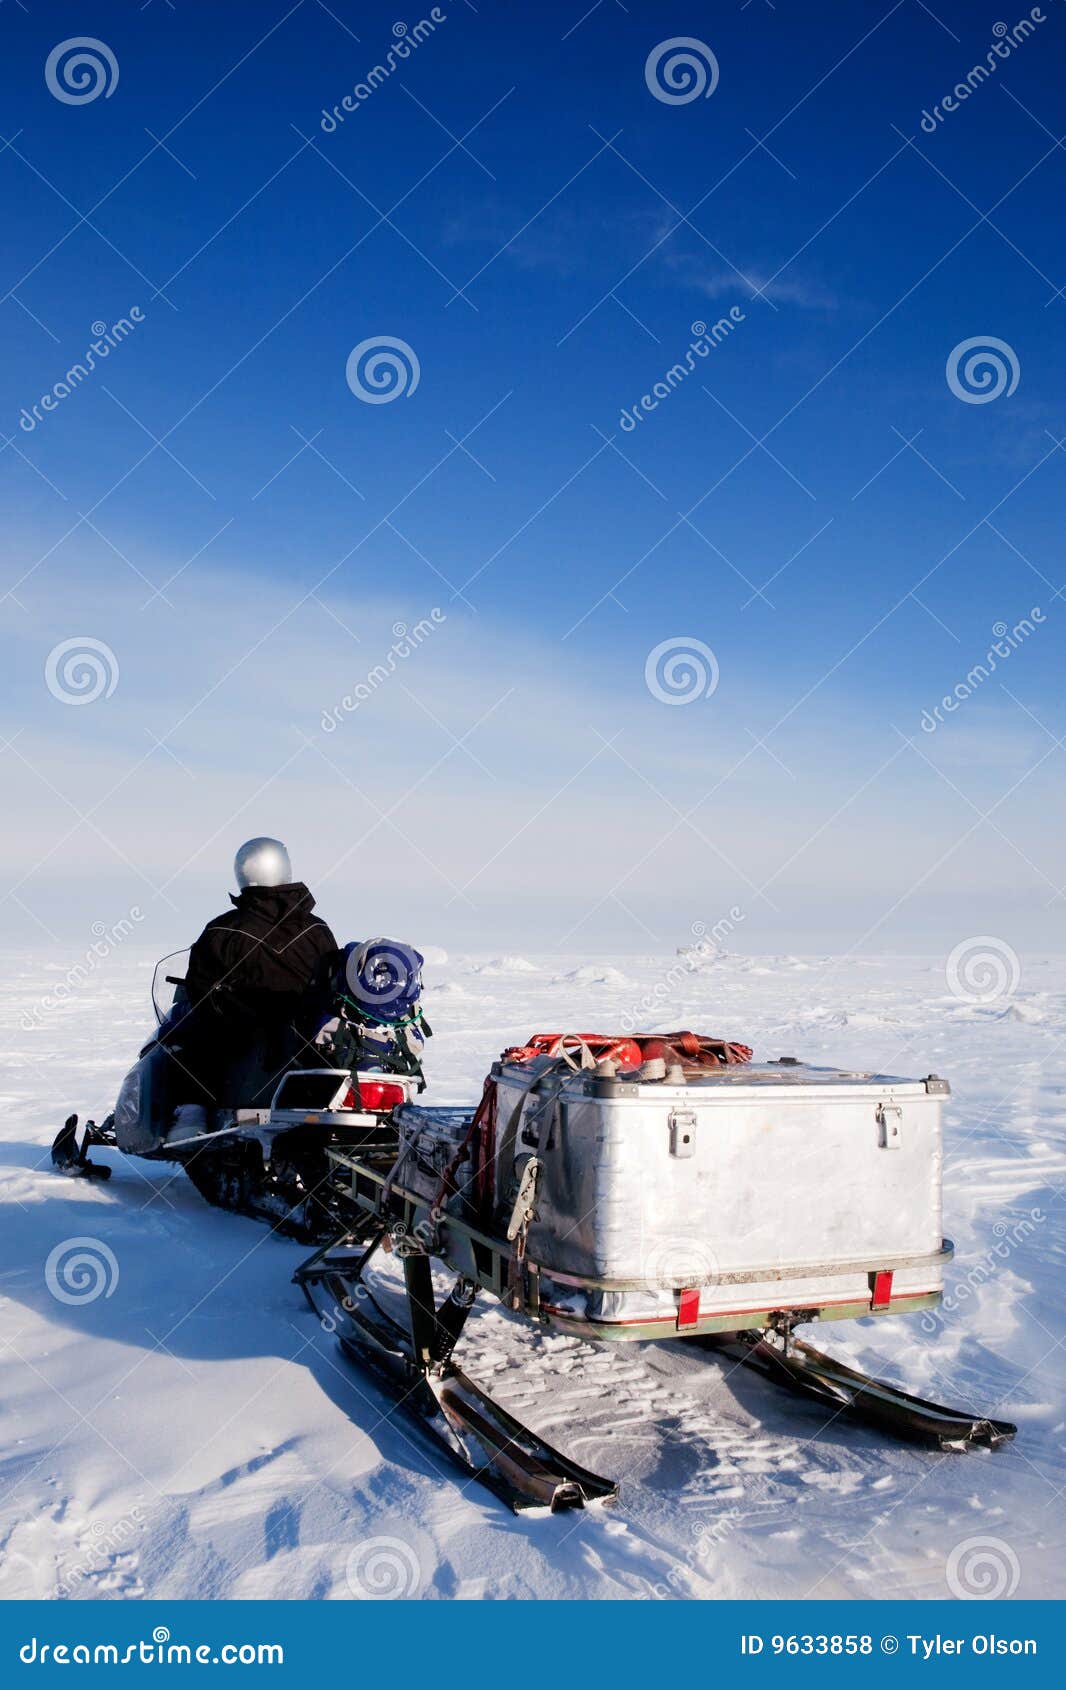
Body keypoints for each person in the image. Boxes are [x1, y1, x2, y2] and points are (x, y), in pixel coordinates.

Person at [181, 838, 338, 1108]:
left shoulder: (223, 931)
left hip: (243, 1044)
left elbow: (199, 991)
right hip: (307, 1045)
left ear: (243, 874)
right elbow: (333, 984)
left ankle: (190, 1112)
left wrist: (232, 1015)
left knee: (187, 1041)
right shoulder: (317, 930)